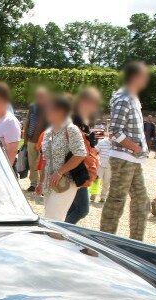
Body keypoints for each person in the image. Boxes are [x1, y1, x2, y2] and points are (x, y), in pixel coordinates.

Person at [100, 61, 151, 241]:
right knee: (117, 200)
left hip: (132, 158)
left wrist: (138, 150)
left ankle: (137, 242)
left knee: (142, 202)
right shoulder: (124, 99)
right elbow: (114, 131)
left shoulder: (132, 98)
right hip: (124, 157)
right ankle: (105, 241)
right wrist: (136, 147)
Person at [36, 94, 87, 220]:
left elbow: (80, 154)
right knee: (49, 219)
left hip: (66, 182)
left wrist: (60, 172)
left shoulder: (71, 129)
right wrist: (41, 182)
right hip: (50, 183)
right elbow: (46, 159)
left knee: (54, 219)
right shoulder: (48, 132)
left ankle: (56, 239)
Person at [66, 86, 101, 224]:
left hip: (80, 171)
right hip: (78, 172)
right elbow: (78, 153)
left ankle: (60, 235)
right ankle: (59, 234)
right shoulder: (76, 128)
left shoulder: (80, 127)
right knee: (82, 209)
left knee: (73, 208)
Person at [22, 86, 48, 192]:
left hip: (44, 141)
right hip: (32, 140)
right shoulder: (32, 107)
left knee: (42, 164)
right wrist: (26, 137)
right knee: (32, 163)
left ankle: (43, 185)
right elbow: (28, 122)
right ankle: (33, 184)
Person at [94, 134, 112, 203]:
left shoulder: (117, 145)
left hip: (110, 167)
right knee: (96, 180)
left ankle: (103, 197)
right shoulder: (102, 142)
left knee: (106, 182)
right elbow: (95, 151)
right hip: (100, 165)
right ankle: (93, 194)